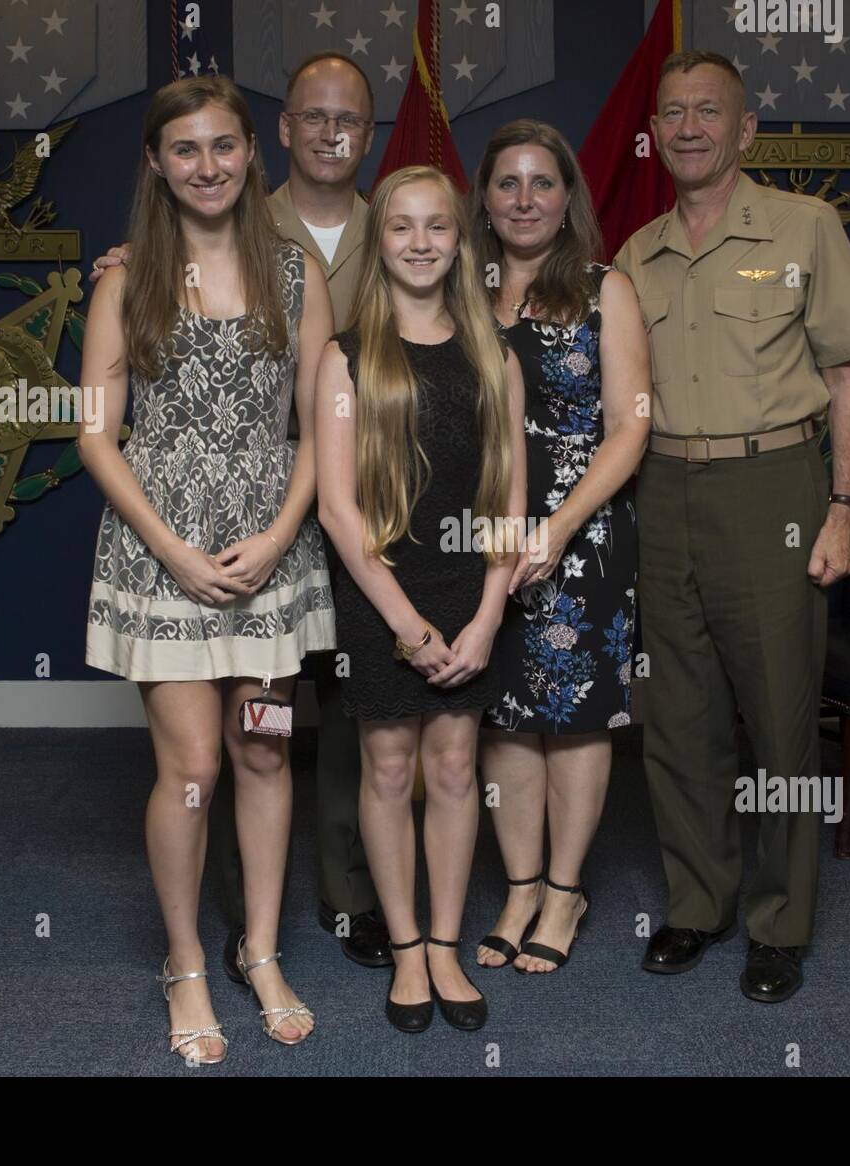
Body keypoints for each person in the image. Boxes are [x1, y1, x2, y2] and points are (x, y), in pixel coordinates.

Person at [92, 52, 392, 972]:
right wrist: (176, 554)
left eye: (224, 145)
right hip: (163, 559)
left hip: (271, 559)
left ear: (254, 152)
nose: (208, 165)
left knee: (263, 754)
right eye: (185, 150)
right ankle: (186, 961)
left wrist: (274, 536)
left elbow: (316, 429)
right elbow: (97, 438)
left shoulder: (295, 273)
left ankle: (260, 953)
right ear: (156, 162)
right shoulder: (125, 277)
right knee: (194, 769)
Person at [613, 51, 850, 1002]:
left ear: (746, 131)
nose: (689, 127)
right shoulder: (633, 255)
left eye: (709, 112)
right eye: (674, 112)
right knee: (679, 721)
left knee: (778, 719)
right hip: (659, 490)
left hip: (773, 486)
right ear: (656, 130)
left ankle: (781, 922)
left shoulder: (805, 228)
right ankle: (697, 904)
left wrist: (843, 510)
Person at [315, 166, 526, 1032]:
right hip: (382, 592)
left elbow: (511, 499)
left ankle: (444, 941)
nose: (420, 243)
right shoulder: (346, 354)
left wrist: (487, 615)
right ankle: (404, 947)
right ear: (381, 240)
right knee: (390, 766)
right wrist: (406, 626)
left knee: (452, 769)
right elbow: (335, 506)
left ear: (459, 240)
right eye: (401, 227)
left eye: (438, 227)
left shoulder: (493, 355)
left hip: (469, 592)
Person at [468, 121, 650, 974]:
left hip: (581, 532)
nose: (526, 199)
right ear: (487, 200)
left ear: (568, 198)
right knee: (504, 714)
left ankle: (567, 890)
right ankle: (520, 883)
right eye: (509, 183)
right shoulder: (458, 288)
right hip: (483, 533)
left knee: (574, 719)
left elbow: (630, 429)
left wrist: (559, 525)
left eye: (544, 183)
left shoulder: (606, 290)